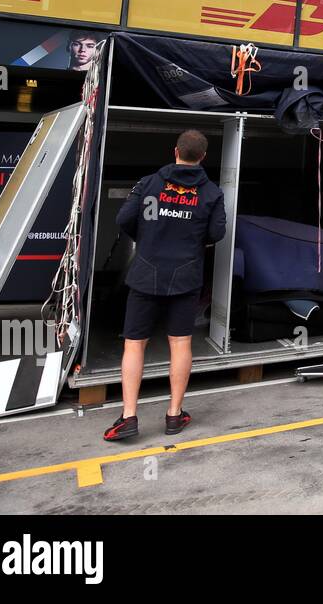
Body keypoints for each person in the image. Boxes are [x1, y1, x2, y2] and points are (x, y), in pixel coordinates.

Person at [105, 129, 226, 442]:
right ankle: (174, 415)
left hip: (146, 272)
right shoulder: (212, 193)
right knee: (180, 344)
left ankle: (129, 416)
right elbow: (216, 233)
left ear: (176, 151)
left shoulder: (149, 183)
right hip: (185, 276)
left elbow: (124, 219)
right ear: (202, 157)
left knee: (134, 344)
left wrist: (147, 240)